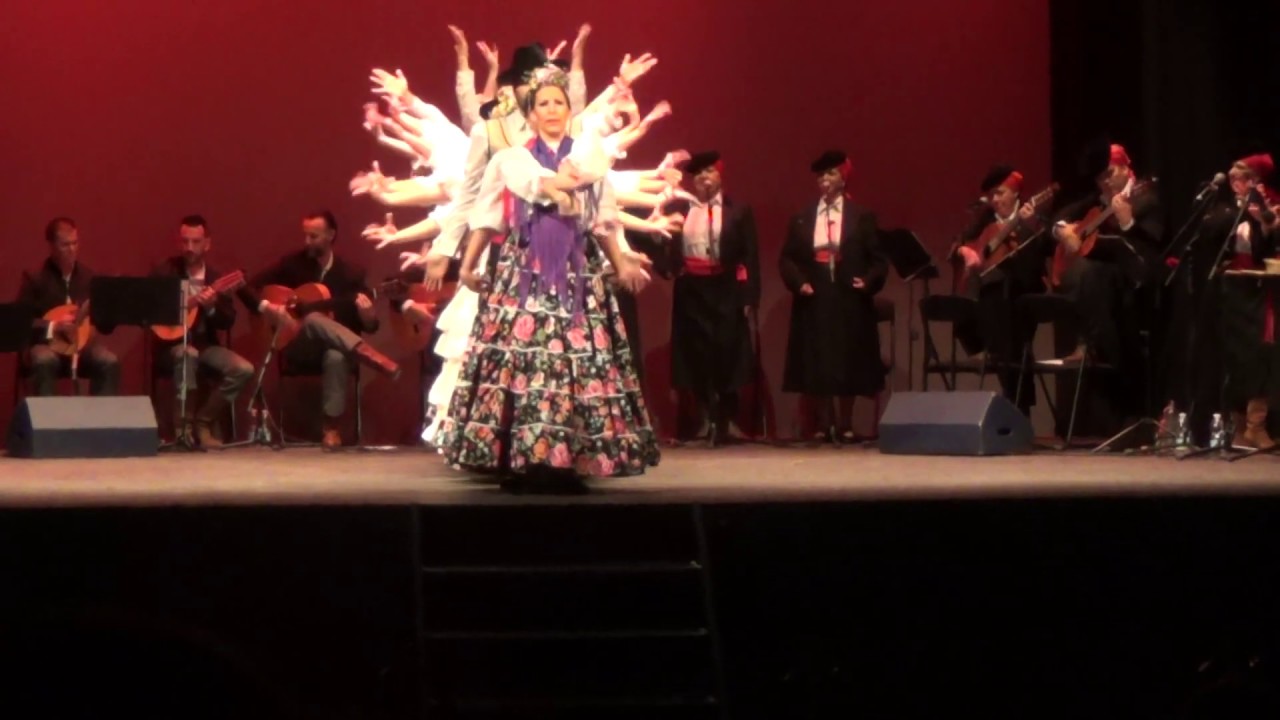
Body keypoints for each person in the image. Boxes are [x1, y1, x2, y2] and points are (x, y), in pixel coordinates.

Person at [437, 66, 658, 491]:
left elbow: (603, 220)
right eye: (543, 104)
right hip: (524, 275)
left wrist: (621, 262)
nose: (552, 109)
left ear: (569, 110)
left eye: (559, 102)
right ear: (531, 115)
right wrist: (466, 265)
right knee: (526, 366)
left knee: (575, 368)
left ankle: (569, 461)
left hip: (577, 274)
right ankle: (525, 460)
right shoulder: (511, 158)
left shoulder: (590, 160)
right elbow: (487, 218)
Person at [241, 210, 400, 450]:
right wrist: (270, 308)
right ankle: (370, 355)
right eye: (305, 236)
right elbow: (248, 286)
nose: (307, 242)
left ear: (331, 235)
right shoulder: (292, 264)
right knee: (313, 318)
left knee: (335, 356)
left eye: (313, 236)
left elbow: (371, 325)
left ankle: (331, 429)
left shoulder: (351, 274)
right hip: (297, 345)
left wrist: (368, 316)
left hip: (336, 348)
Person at [779, 151, 888, 442]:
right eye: (821, 176)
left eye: (830, 174)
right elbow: (787, 258)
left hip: (847, 295)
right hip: (816, 294)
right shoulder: (803, 217)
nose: (824, 180)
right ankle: (824, 422)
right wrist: (799, 283)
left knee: (847, 359)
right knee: (819, 359)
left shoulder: (861, 216)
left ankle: (846, 423)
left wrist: (867, 282)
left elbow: (878, 260)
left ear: (843, 178)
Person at [663, 151, 760, 444]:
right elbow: (667, 246)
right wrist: (668, 266)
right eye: (699, 174)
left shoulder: (737, 211)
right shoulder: (682, 209)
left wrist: (748, 297)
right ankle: (706, 418)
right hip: (692, 289)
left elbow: (750, 256)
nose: (704, 178)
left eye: (710, 172)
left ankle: (727, 418)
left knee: (728, 353)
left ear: (720, 175)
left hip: (726, 287)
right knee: (696, 355)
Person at [952, 164, 1051, 412]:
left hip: (1023, 292)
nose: (995, 200)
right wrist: (964, 251)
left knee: (1011, 342)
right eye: (992, 195)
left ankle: (1019, 406)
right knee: (979, 305)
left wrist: (1027, 226)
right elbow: (956, 246)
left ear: (1016, 193)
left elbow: (1042, 252)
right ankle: (1012, 397)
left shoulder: (1033, 218)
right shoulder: (983, 222)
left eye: (1001, 193)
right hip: (992, 299)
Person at [150, 215, 254, 448]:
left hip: (205, 344)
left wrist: (211, 307)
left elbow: (228, 321)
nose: (189, 248)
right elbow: (151, 310)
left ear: (207, 243)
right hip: (171, 347)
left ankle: (204, 421)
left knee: (243, 369)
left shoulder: (217, 278)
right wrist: (185, 306)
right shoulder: (165, 272)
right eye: (185, 241)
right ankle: (182, 431)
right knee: (188, 354)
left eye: (195, 242)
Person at [1213, 152, 1280, 448]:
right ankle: (1235, 426)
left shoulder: (1270, 208)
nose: (1235, 184)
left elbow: (1265, 248)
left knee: (1259, 355)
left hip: (1257, 290)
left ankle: (1256, 424)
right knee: (1232, 356)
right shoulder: (1227, 209)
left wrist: (1264, 222)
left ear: (1255, 181)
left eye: (1241, 178)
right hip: (1231, 289)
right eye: (1232, 179)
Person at [16, 217, 120, 396]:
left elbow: (105, 325)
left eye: (75, 243)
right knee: (43, 360)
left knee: (108, 361)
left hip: (81, 345)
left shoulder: (88, 277)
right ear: (52, 246)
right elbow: (21, 321)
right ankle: (46, 421)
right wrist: (54, 326)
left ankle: (101, 421)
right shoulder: (35, 279)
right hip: (46, 344)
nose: (72, 249)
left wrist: (106, 310)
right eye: (65, 245)